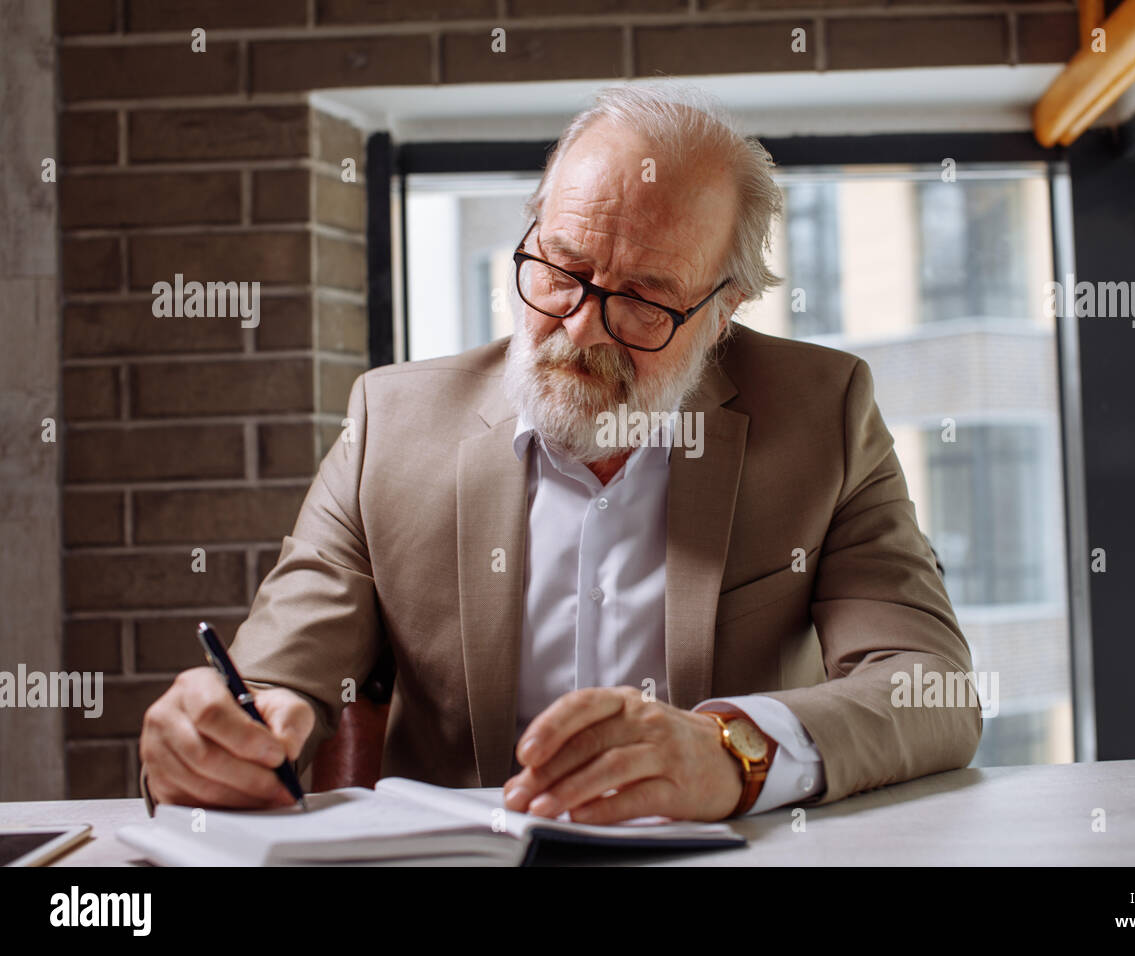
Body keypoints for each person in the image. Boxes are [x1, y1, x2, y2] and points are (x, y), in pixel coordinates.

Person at [137, 82, 981, 824]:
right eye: (561, 269)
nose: (580, 329)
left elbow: (930, 688)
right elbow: (277, 680)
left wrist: (729, 750)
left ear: (723, 314)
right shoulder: (391, 425)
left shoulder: (822, 414)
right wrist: (225, 734)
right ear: (532, 234)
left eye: (645, 300)